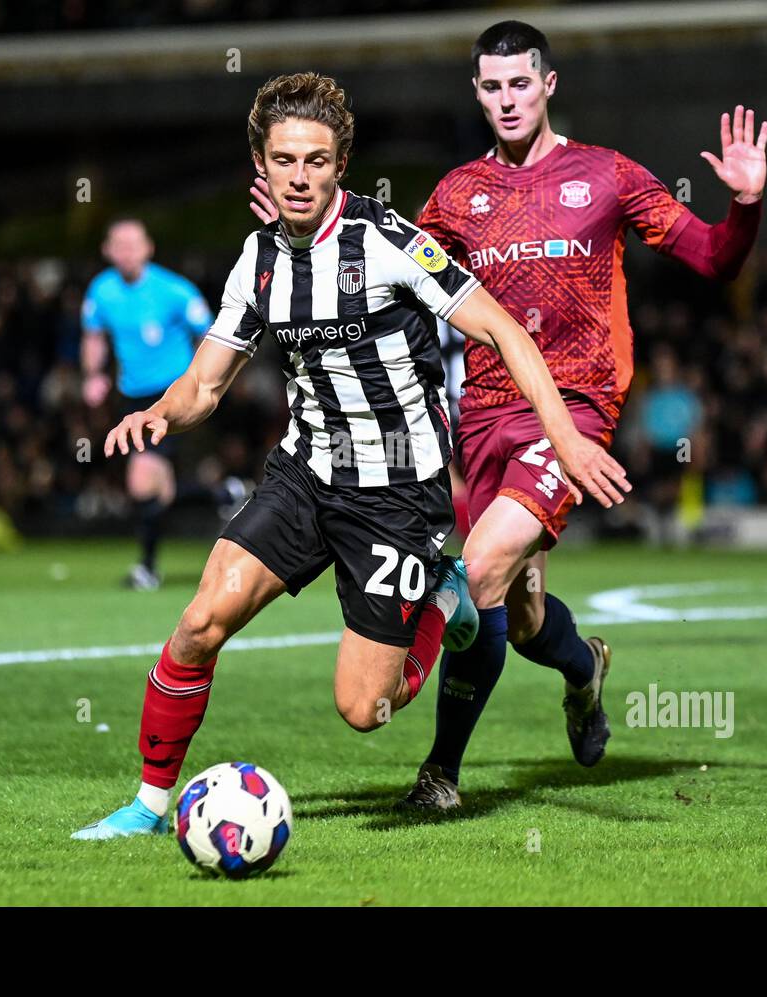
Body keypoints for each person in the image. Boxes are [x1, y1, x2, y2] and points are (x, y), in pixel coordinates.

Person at [72, 71, 629, 839]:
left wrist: (564, 436)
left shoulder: (390, 243)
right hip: (305, 474)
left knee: (364, 709)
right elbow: (203, 385)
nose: (300, 176)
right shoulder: (258, 260)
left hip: (397, 492)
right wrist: (158, 414)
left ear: (340, 166)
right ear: (260, 167)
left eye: (316, 160)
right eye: (285, 160)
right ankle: (146, 805)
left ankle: (445, 598)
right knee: (200, 621)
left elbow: (504, 329)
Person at [249, 19, 767, 809]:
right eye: (491, 87)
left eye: (520, 83)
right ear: (477, 93)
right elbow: (380, 271)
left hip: (576, 408)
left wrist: (745, 204)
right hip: (484, 416)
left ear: (548, 84)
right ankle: (583, 669)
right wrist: (298, 233)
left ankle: (441, 773)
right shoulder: (457, 195)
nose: (506, 99)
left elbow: (714, 257)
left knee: (480, 569)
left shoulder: (608, 175)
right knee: (520, 617)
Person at [82, 218, 241, 590]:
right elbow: (93, 337)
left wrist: (206, 384)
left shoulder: (174, 291)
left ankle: (147, 569)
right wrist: (93, 375)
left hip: (171, 396)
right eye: (118, 245)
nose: (126, 252)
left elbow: (214, 335)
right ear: (107, 251)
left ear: (148, 248)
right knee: (161, 491)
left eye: (132, 244)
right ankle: (223, 494)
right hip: (130, 396)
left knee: (140, 483)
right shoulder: (101, 291)